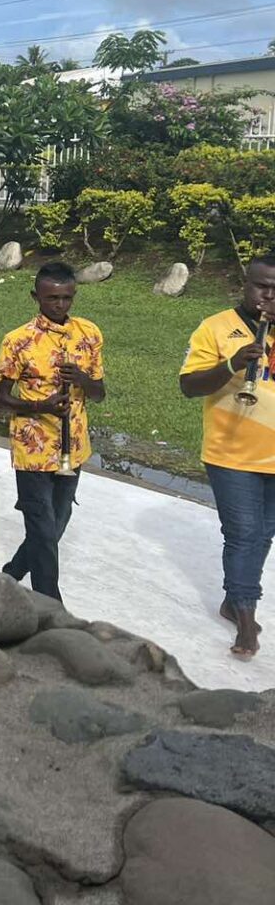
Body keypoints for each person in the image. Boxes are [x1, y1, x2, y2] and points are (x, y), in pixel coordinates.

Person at [178, 252, 275, 659]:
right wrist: (232, 364)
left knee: (263, 534)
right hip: (230, 452)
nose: (267, 296)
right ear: (244, 283)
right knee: (243, 533)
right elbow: (189, 386)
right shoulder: (216, 327)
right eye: (260, 286)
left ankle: (233, 601)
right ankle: (246, 618)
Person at [0, 262, 106, 604]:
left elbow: (100, 392)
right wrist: (40, 407)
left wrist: (83, 381)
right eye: (51, 298)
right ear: (36, 297)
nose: (59, 305)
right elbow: (0, 397)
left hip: (74, 444)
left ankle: (12, 572)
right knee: (41, 526)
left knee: (56, 525)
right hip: (33, 445)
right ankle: (50, 602)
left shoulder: (89, 333)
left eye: (66, 298)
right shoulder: (18, 340)